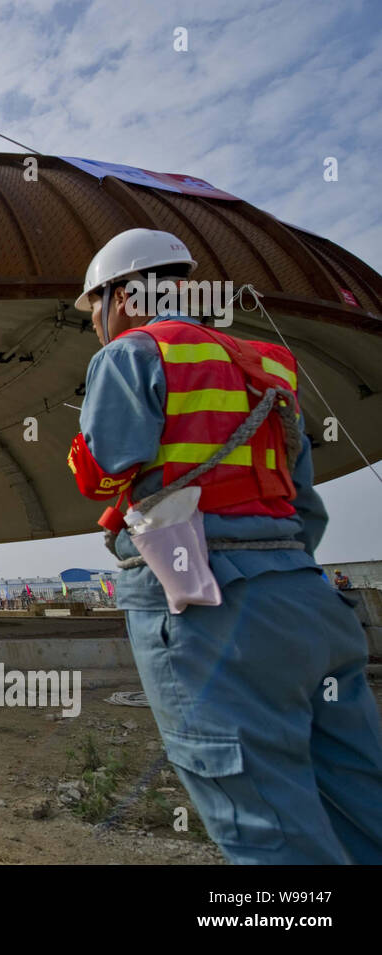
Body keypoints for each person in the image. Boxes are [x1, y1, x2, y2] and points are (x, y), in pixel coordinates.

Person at [67, 228, 382, 864]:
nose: (95, 323)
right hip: (303, 597)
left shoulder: (131, 354)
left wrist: (81, 456)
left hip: (205, 607)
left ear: (122, 298)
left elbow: (104, 468)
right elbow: (302, 499)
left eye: (95, 307)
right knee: (360, 795)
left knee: (261, 822)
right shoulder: (269, 363)